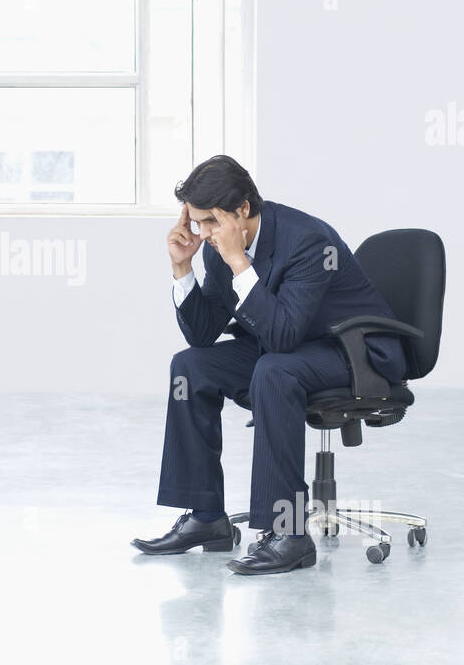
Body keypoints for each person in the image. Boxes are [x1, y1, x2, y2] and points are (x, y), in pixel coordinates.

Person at [132, 155, 408, 575]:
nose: (203, 234)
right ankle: (206, 518)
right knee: (190, 366)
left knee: (274, 370)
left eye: (209, 222)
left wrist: (239, 262)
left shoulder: (308, 241)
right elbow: (202, 335)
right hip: (288, 346)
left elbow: (281, 339)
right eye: (196, 223)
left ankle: (290, 534)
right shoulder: (215, 246)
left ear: (242, 209)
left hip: (352, 351)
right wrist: (182, 268)